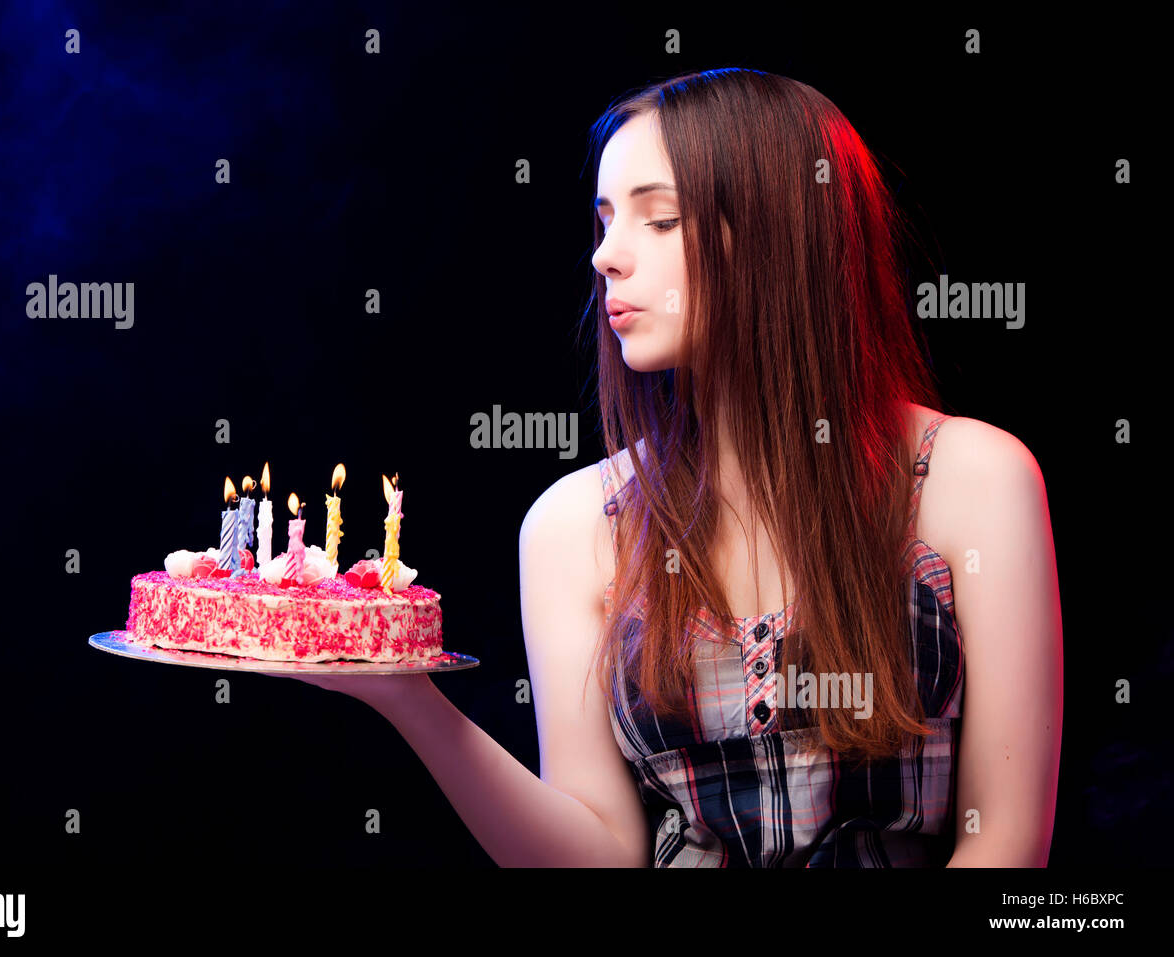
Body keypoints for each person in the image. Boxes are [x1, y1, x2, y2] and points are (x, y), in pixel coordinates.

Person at [271, 68, 1063, 868]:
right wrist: (409, 697)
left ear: (779, 233)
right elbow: (601, 856)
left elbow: (1004, 838)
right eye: (605, 221)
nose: (606, 258)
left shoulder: (975, 480)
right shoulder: (574, 524)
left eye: (659, 220)